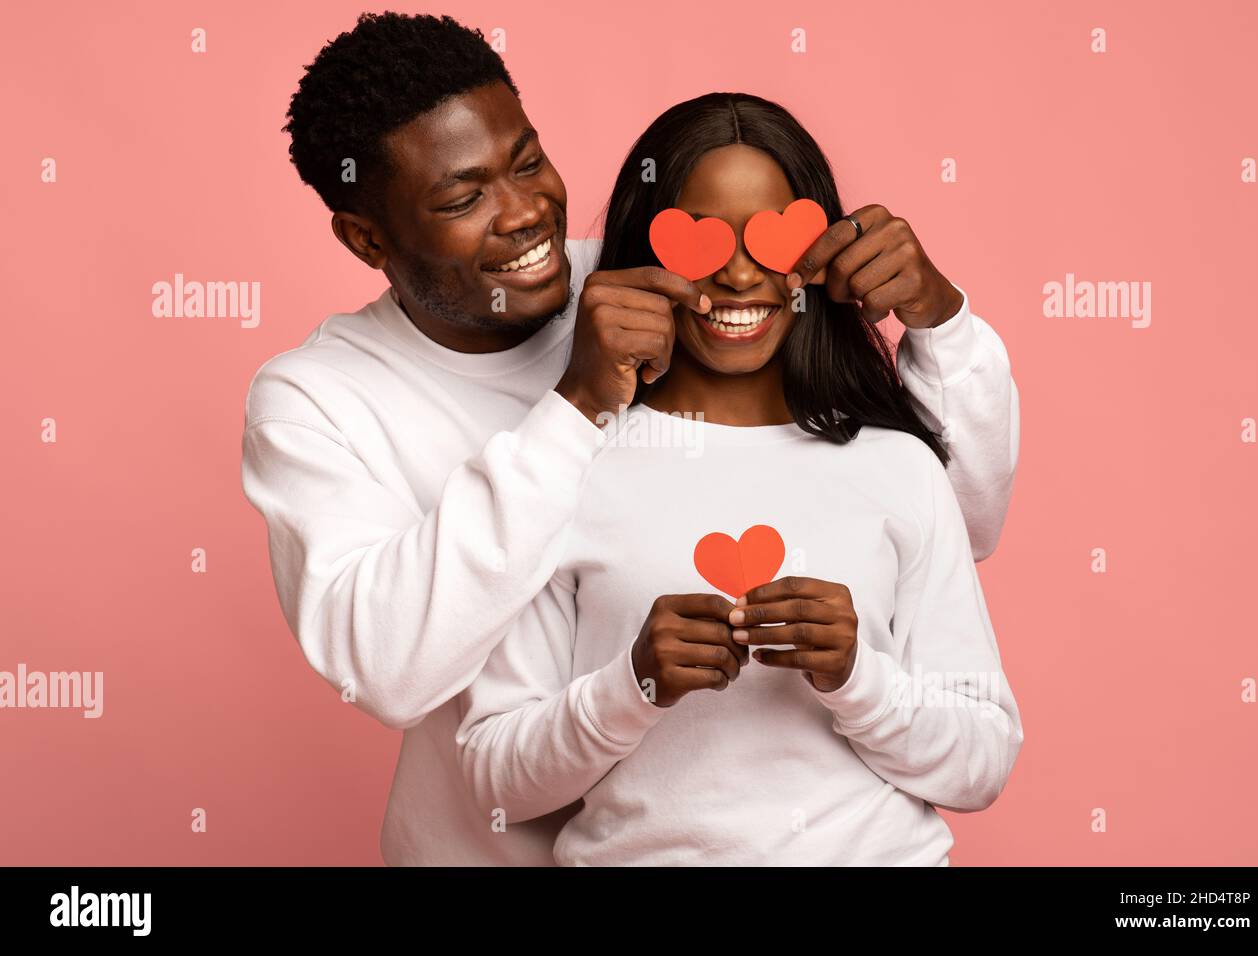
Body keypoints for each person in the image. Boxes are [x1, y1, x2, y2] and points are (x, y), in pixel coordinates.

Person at [240, 13, 1020, 866]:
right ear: (367, 238)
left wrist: (937, 320)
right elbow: (387, 671)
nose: (524, 215)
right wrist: (576, 406)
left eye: (529, 161)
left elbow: (954, 518)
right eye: (464, 199)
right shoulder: (315, 400)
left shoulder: (660, 272)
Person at [454, 92, 1024, 865]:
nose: (738, 274)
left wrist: (859, 679)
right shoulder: (566, 464)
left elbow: (983, 762)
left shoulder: (898, 467)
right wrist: (633, 686)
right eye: (701, 242)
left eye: (772, 241)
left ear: (819, 257)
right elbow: (496, 781)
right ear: (642, 251)